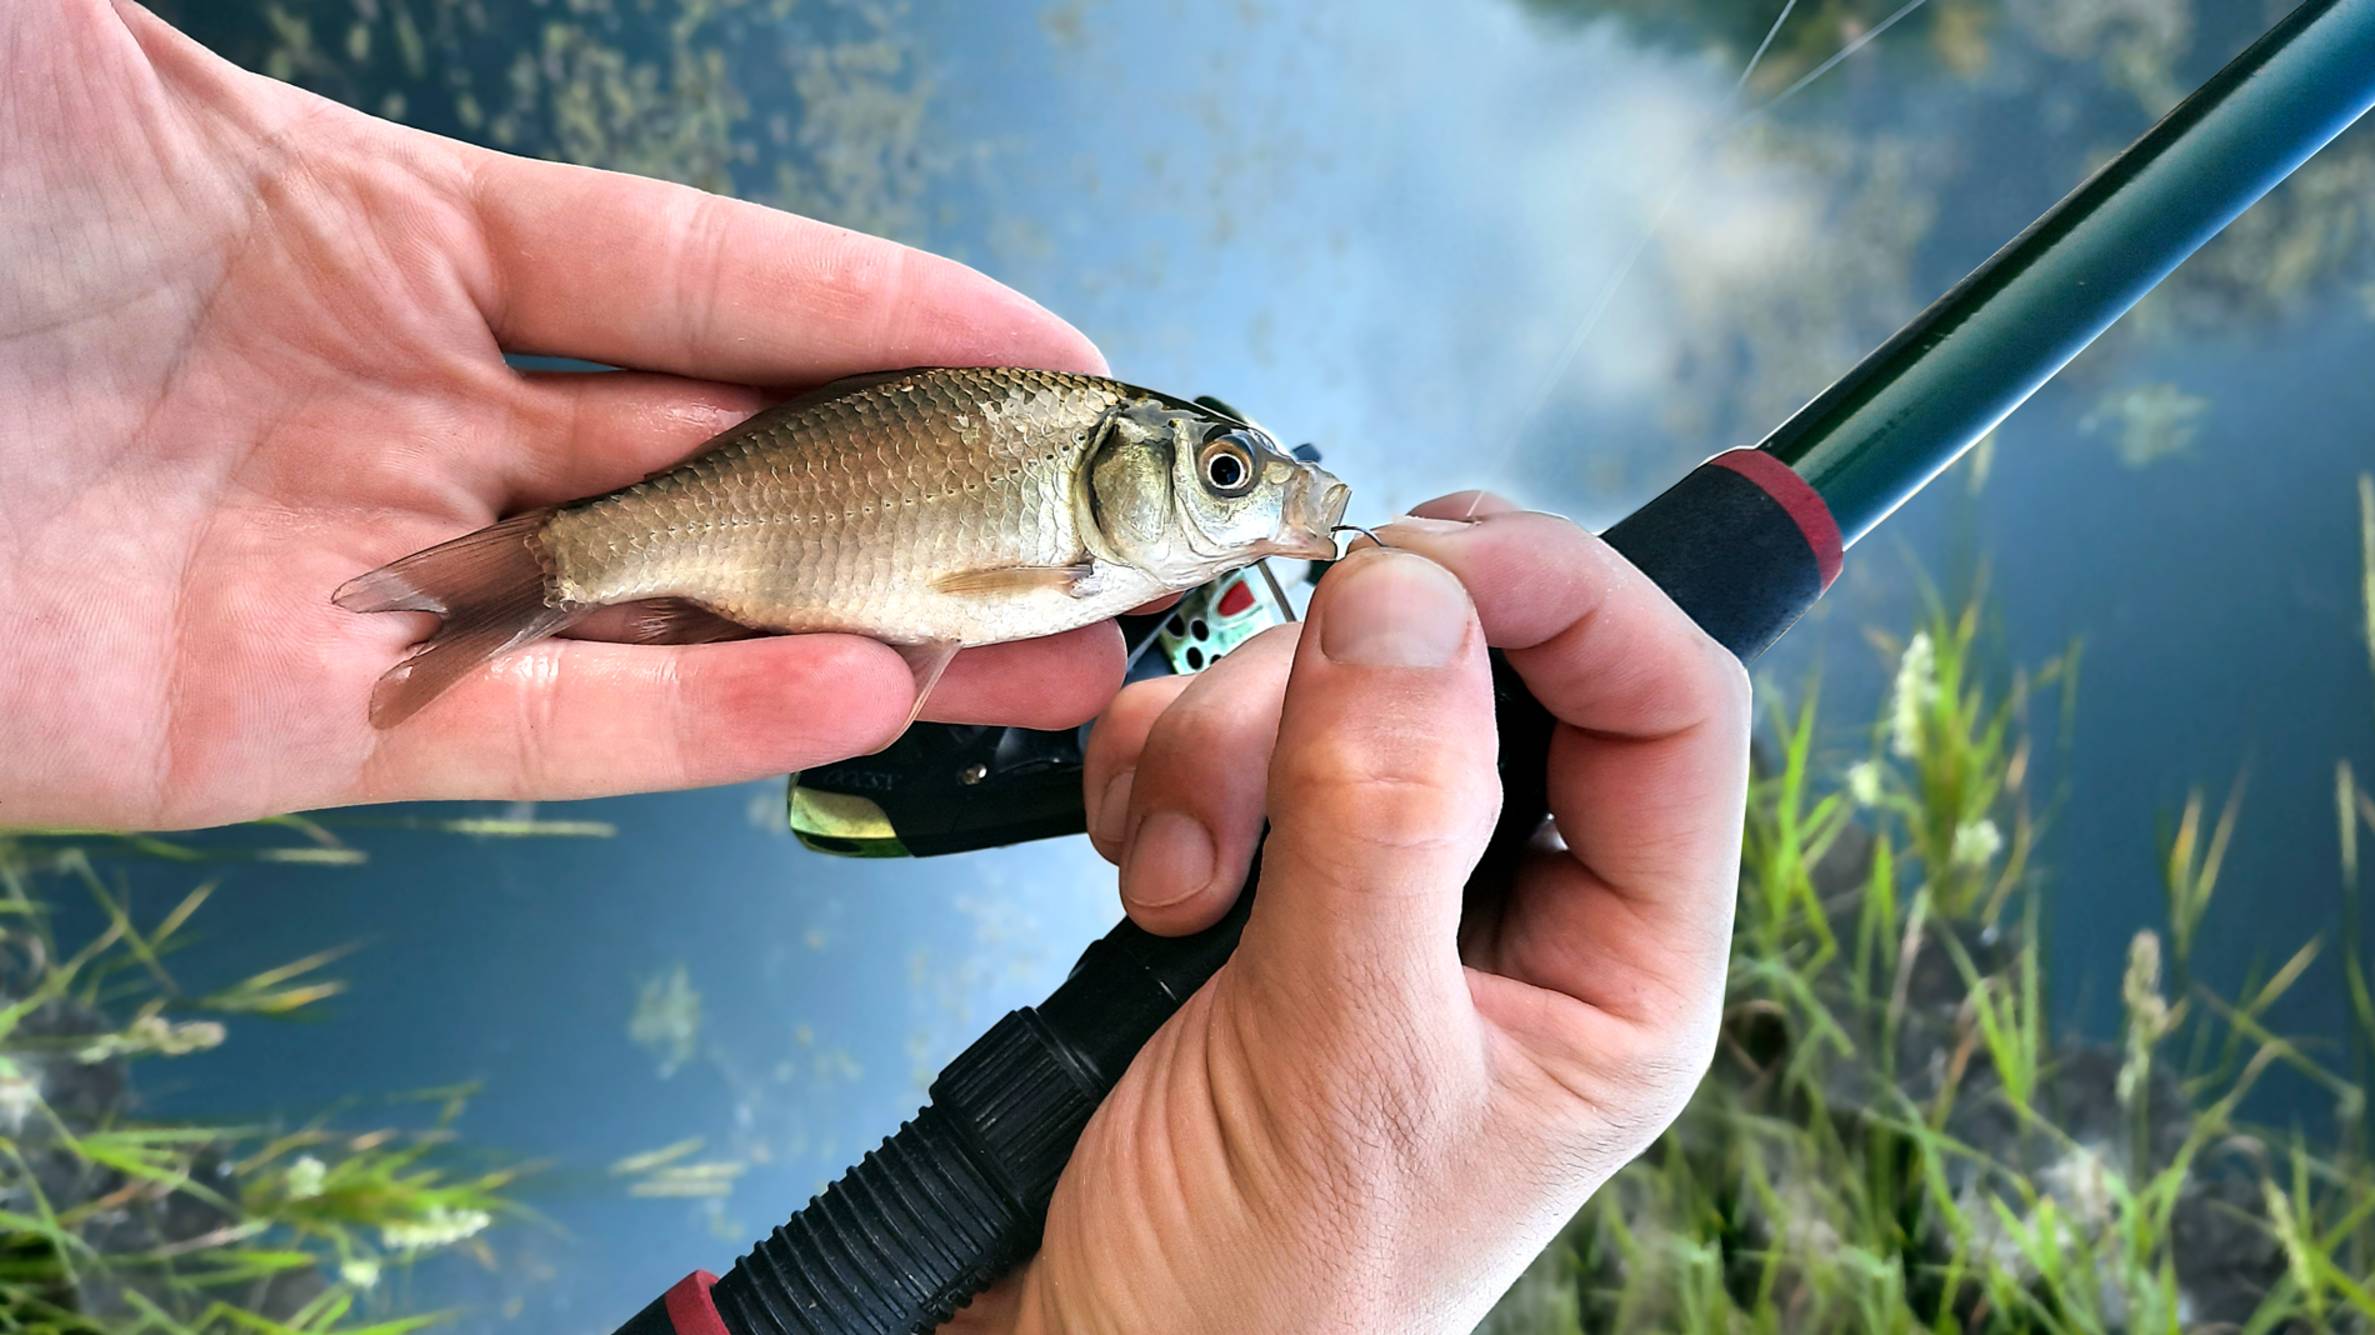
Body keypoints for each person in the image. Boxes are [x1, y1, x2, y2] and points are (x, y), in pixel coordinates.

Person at [4, 4, 1747, 1332]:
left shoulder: (1085, 521)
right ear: (1129, 474)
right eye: (1223, 474)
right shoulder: (1064, 510)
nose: (1254, 496)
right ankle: (539, 575)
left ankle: (540, 577)